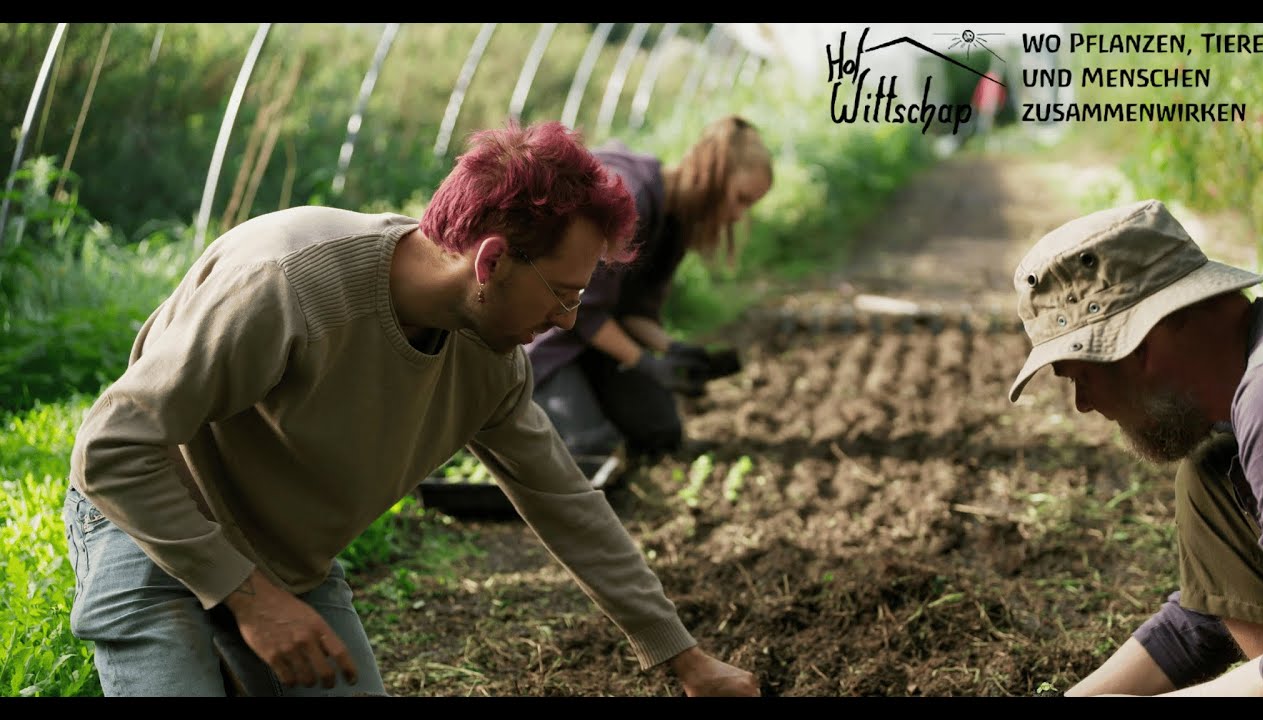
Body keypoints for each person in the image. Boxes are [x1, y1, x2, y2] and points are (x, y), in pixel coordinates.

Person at [62, 119, 761, 697]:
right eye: (564, 293)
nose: (568, 320)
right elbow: (111, 449)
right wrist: (250, 600)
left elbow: (567, 504)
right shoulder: (285, 285)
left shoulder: (491, 364)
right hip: (149, 531)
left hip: (284, 559)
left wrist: (686, 661)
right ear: (489, 262)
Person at [1007, 198, 1263, 696]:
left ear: (1141, 342)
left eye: (1082, 376)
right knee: (1209, 475)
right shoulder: (1252, 399)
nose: (1084, 404)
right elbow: (1206, 618)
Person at [525, 115, 772, 461]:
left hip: (591, 342)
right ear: (712, 175)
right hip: (545, 336)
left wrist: (670, 348)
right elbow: (579, 308)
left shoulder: (676, 222)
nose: (738, 216)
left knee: (661, 432)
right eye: (741, 199)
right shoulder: (631, 195)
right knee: (593, 449)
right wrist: (645, 362)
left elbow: (634, 311)